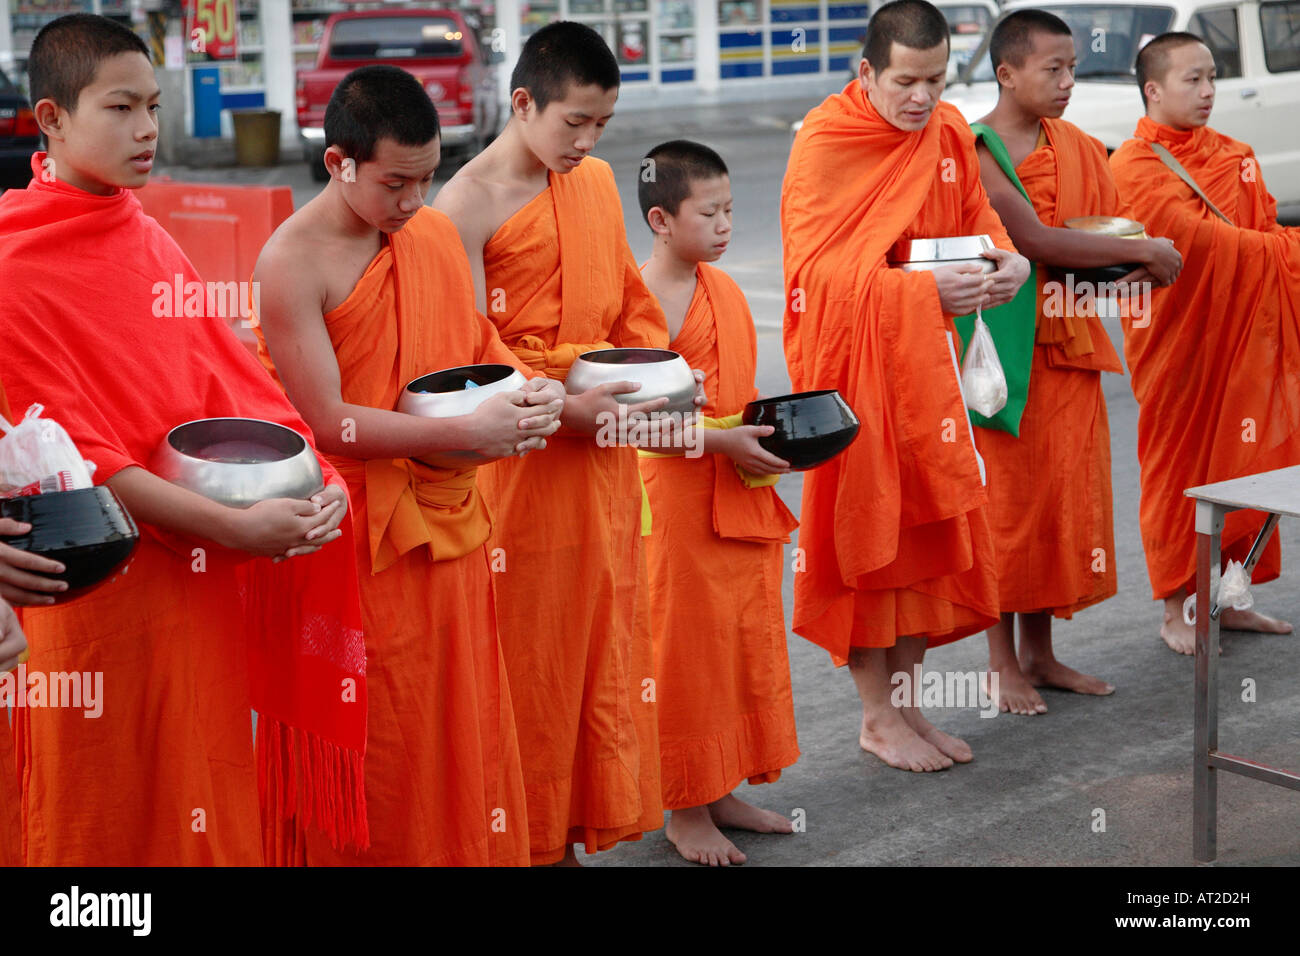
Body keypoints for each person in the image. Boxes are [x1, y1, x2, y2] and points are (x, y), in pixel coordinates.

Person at [0, 13, 366, 865]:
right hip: (93, 595)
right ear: (51, 117)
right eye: (121, 107)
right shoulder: (14, 267)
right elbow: (80, 456)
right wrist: (232, 529)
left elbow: (231, 384)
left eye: (154, 106)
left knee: (201, 785)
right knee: (98, 806)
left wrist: (317, 477)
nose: (148, 130)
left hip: (194, 591)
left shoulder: (148, 236)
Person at [252, 65, 566, 865]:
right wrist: (466, 428)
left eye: (428, 179)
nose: (415, 202)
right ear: (339, 163)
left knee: (452, 717)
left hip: (448, 523)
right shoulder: (292, 261)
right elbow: (328, 423)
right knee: (377, 729)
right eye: (396, 182)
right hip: (354, 540)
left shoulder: (424, 235)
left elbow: (473, 347)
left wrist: (530, 394)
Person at [434, 21, 676, 863]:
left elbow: (630, 304)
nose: (588, 142)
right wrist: (556, 405)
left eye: (602, 125)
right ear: (523, 102)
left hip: (603, 457)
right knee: (524, 658)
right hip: (521, 461)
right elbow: (465, 344)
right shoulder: (462, 202)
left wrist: (665, 378)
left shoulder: (600, 182)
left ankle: (571, 824)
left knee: (599, 646)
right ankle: (519, 835)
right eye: (573, 122)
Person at [782, 0, 1029, 771]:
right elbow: (815, 276)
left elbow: (977, 216)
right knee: (870, 532)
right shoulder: (827, 140)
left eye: (935, 80)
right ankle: (873, 716)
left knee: (927, 531)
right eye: (904, 82)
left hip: (929, 371)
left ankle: (909, 705)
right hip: (854, 374)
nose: (921, 98)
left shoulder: (949, 133)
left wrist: (1007, 258)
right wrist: (922, 295)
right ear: (866, 73)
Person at [969, 10, 1182, 712]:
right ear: (1007, 73)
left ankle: (1041, 652)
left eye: (1072, 68)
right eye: (1051, 69)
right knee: (1007, 508)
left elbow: (1104, 234)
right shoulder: (976, 150)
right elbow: (1031, 239)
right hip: (1002, 352)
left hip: (1072, 345)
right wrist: (1147, 252)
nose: (1068, 82)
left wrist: (1132, 260)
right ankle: (1001, 662)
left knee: (1059, 503)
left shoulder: (1079, 145)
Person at [636, 140, 800, 865]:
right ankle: (684, 808)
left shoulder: (722, 288)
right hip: (676, 498)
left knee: (742, 640)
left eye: (732, 209)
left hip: (736, 484)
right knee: (687, 651)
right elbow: (640, 422)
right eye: (711, 213)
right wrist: (723, 442)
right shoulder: (642, 300)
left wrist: (765, 438)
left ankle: (724, 785)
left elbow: (732, 396)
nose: (727, 224)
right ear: (662, 220)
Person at [1109, 33, 1300, 654]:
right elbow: (1185, 240)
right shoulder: (1133, 165)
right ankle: (1175, 607)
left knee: (1246, 466)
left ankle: (1230, 595)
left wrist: (1279, 250)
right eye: (1192, 80)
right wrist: (1285, 251)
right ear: (1153, 90)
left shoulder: (1237, 154)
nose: (1209, 91)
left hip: (1243, 340)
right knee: (1178, 471)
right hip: (1177, 347)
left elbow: (1262, 228)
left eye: (1212, 77)